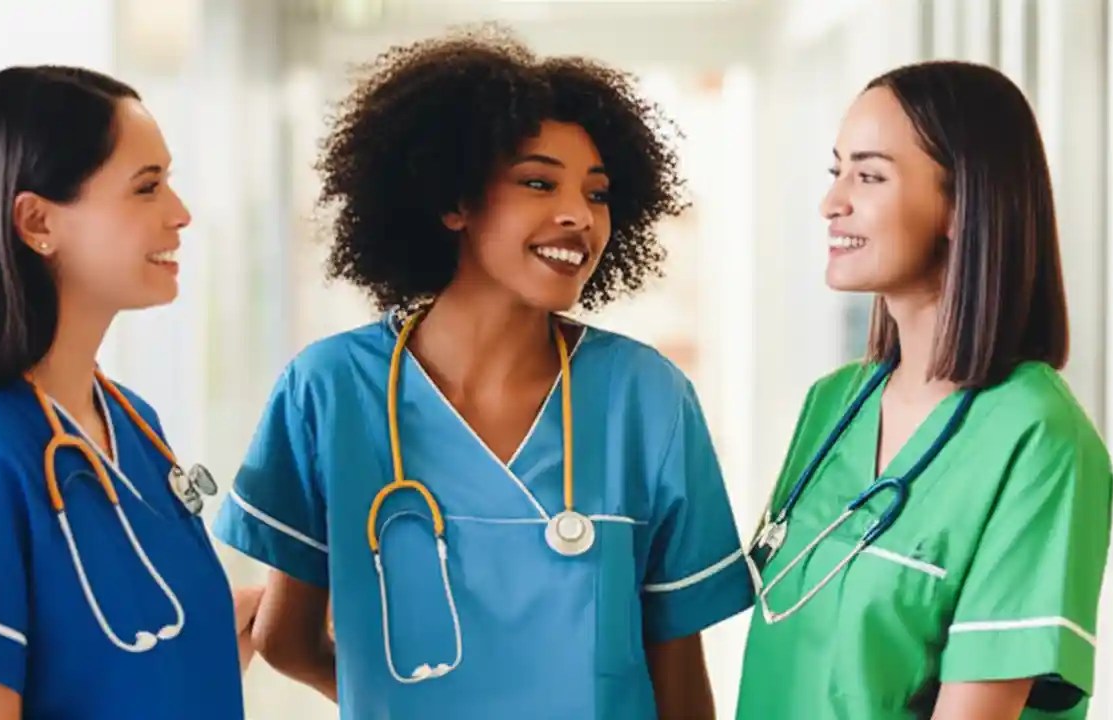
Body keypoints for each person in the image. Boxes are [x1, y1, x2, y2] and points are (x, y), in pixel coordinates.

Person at [212, 27, 752, 720]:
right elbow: (285, 638)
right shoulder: (330, 390)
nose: (578, 216)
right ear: (452, 202)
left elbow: (678, 674)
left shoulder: (646, 399)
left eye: (597, 193)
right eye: (537, 182)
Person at [0, 66, 260, 720]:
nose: (181, 213)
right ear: (36, 222)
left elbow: (154, 657)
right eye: (147, 187)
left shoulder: (134, 427)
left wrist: (313, 577)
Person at [736, 60, 1113, 720]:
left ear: (962, 204)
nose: (833, 202)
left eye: (870, 175)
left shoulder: (1039, 439)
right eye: (837, 171)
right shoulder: (832, 404)